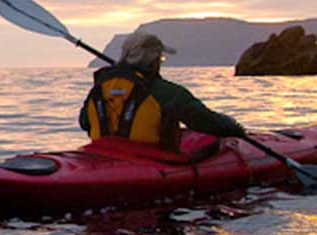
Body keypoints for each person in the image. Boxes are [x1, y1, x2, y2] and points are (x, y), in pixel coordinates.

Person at [80, 31, 246, 152]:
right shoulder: (167, 92)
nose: (160, 62)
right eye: (160, 58)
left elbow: (84, 122)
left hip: (104, 155)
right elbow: (206, 122)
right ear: (153, 60)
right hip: (154, 160)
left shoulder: (99, 88)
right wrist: (234, 128)